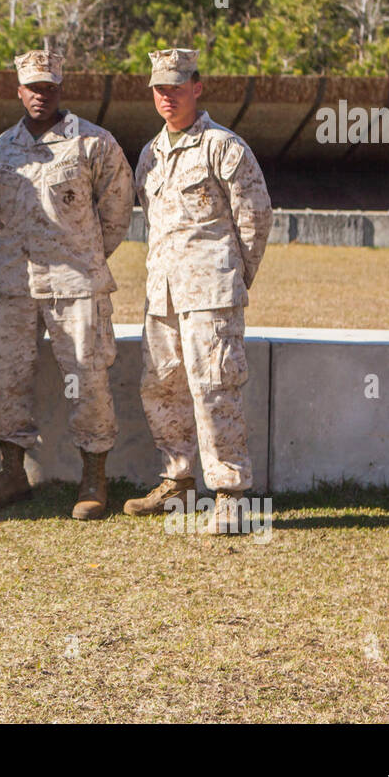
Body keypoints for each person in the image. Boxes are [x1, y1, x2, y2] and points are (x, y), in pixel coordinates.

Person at [0, 49, 133, 519]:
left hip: (76, 283)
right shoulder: (0, 150)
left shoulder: (94, 143)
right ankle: (12, 472)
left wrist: (82, 256)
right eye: (32, 88)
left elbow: (117, 211)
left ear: (60, 89)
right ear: (18, 90)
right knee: (8, 376)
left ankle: (93, 478)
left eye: (49, 88)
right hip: (14, 283)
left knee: (86, 375)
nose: (40, 96)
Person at [124, 48, 273, 534]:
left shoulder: (223, 146)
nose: (167, 96)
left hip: (210, 293)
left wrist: (231, 277)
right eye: (159, 88)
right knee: (161, 386)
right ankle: (179, 480)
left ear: (196, 87)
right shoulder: (151, 152)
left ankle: (229, 496)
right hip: (162, 293)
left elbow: (255, 217)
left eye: (176, 86)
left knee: (214, 388)